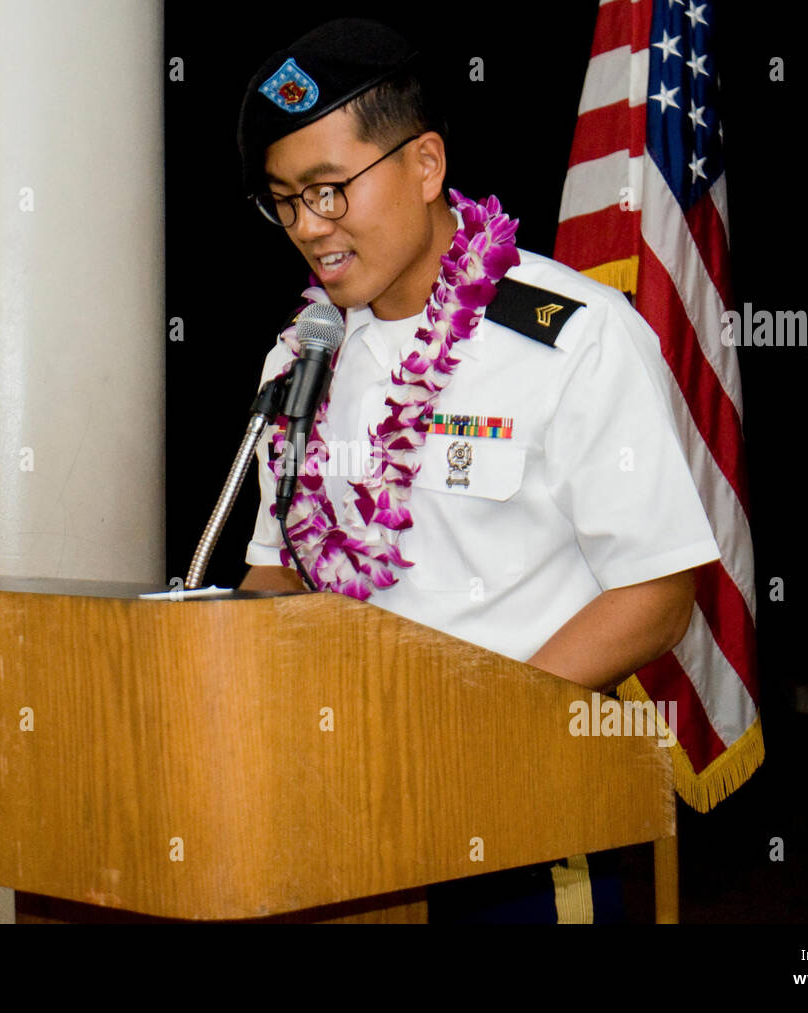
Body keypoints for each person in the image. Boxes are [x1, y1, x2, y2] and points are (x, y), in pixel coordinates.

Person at [233, 18, 721, 922]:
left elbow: (657, 593)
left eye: (330, 190)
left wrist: (468, 731)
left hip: (524, 812)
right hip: (342, 806)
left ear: (425, 166)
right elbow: (276, 570)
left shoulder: (572, 335)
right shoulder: (299, 359)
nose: (309, 227)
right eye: (284, 201)